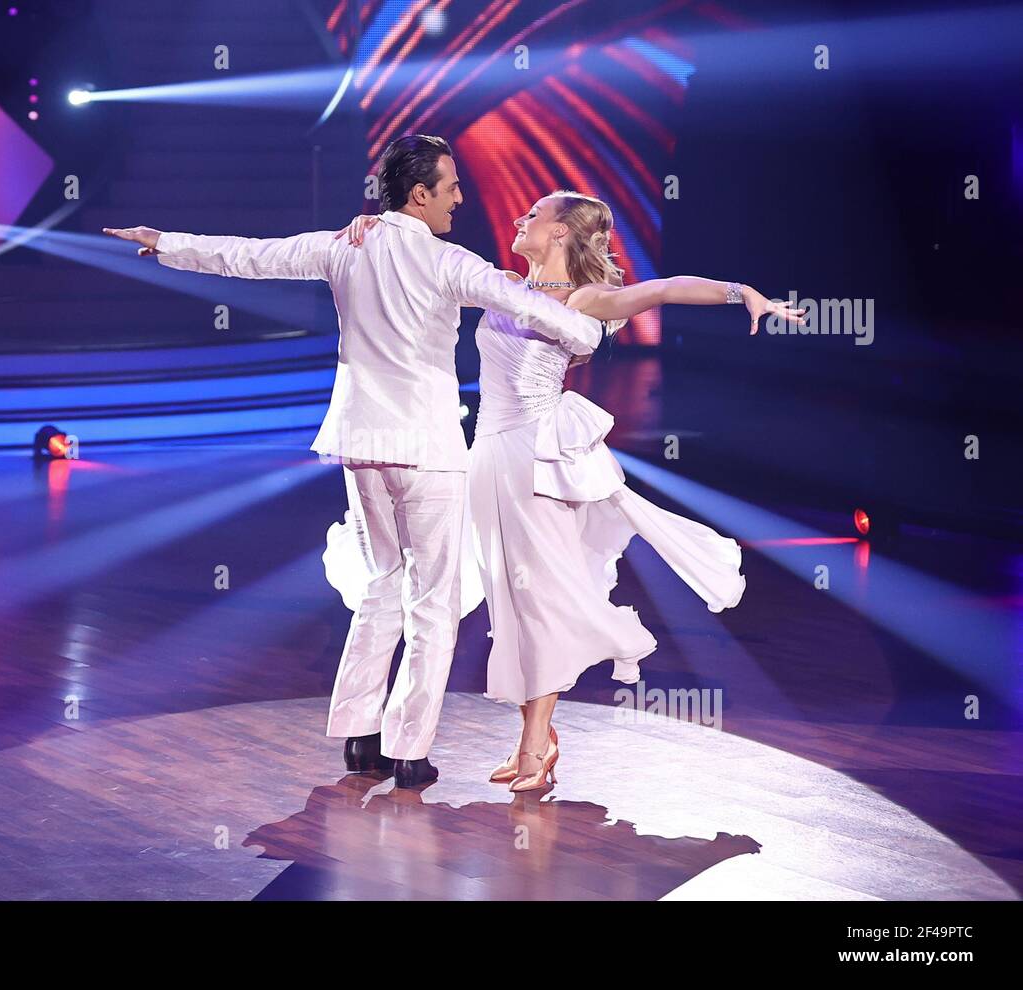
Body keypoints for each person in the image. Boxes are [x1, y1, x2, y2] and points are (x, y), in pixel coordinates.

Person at [102, 137, 607, 787]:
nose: (461, 196)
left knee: (380, 589)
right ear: (419, 193)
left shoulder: (349, 244)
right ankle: (410, 750)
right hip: (426, 449)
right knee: (432, 601)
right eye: (452, 185)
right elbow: (526, 303)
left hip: (363, 444)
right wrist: (584, 332)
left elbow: (250, 257)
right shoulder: (448, 260)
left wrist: (166, 241)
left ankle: (358, 737)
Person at [331, 192, 804, 791]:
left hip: (541, 459)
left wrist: (743, 293)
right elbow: (416, 258)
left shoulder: (586, 300)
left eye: (532, 216)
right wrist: (376, 224)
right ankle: (538, 737)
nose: (517, 220)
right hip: (488, 458)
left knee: (544, 598)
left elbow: (665, 288)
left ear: (558, 235)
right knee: (513, 601)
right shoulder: (501, 282)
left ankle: (534, 744)